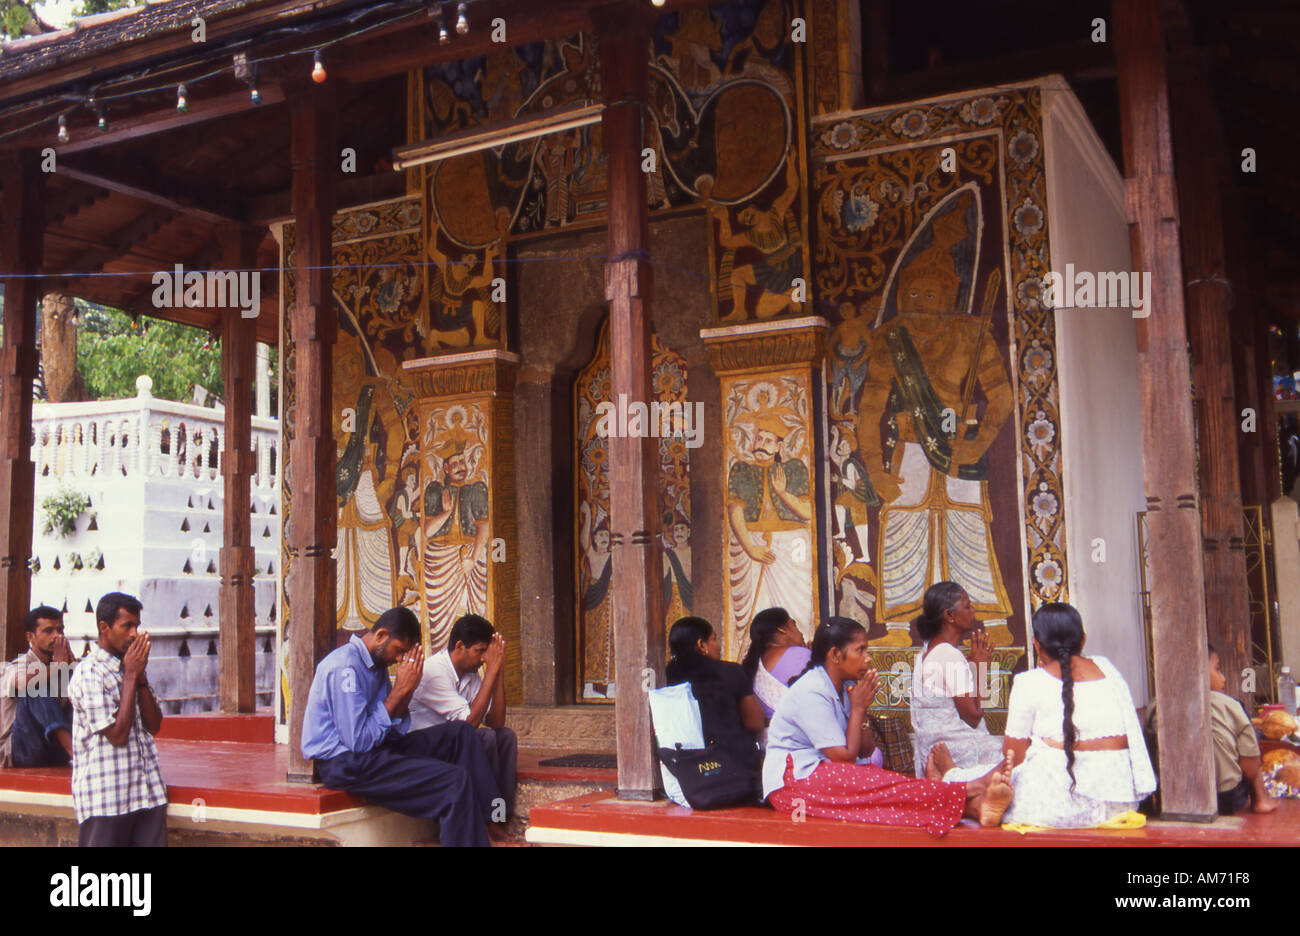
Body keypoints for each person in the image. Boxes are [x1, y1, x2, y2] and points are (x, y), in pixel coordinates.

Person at [764, 616, 1014, 836]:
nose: (868, 658)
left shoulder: (845, 686)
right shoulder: (812, 690)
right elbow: (843, 758)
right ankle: (972, 787)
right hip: (794, 784)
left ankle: (976, 807)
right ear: (835, 655)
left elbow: (865, 750)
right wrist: (858, 708)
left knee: (883, 788)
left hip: (824, 776)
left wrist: (861, 710)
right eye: (860, 650)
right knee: (882, 788)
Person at [302, 606, 502, 846]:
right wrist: (399, 691)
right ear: (381, 636)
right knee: (455, 781)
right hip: (346, 762)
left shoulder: (377, 666)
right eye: (399, 650)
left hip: (378, 748)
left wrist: (407, 691)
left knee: (463, 733)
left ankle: (494, 820)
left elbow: (395, 728)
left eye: (404, 654)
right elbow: (358, 741)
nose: (399, 659)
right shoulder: (345, 668)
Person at [991, 602, 1156, 828]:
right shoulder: (1107, 669)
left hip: (1051, 805)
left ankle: (980, 803)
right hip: (1118, 803)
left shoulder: (1028, 682)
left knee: (989, 781)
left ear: (1036, 644)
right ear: (1083, 640)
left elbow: (1014, 755)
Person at [66, 593, 168, 847]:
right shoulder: (90, 673)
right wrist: (131, 676)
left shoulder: (131, 668)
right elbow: (117, 735)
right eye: (127, 626)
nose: (134, 634)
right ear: (104, 627)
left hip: (147, 794)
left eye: (137, 626)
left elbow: (154, 726)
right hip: (107, 799)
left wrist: (140, 679)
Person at [408, 613, 517, 821]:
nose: (484, 659)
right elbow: (470, 723)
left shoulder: (470, 673)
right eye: (479, 651)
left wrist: (498, 671)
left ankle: (500, 816)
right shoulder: (434, 672)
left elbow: (495, 722)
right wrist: (491, 671)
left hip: (454, 742)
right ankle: (487, 820)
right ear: (459, 646)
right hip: (424, 745)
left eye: (487, 653)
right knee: (484, 738)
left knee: (505, 737)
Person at [910, 582, 1004, 779]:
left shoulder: (926, 651)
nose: (973, 611)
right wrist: (980, 667)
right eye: (968, 606)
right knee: (1014, 759)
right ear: (949, 616)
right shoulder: (949, 654)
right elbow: (973, 717)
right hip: (954, 753)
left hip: (931, 749)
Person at [664, 617, 764, 780]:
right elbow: (755, 722)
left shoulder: (666, 677)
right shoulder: (730, 671)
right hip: (735, 769)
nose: (718, 646)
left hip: (688, 772)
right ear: (701, 645)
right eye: (714, 639)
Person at [1, 606, 76, 768]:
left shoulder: (64, 664)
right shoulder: (18, 665)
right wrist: (59, 668)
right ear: (30, 637)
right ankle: (74, 751)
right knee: (34, 685)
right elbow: (21, 683)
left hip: (52, 750)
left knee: (80, 684)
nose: (56, 636)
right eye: (48, 631)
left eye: (60, 630)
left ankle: (80, 749)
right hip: (20, 750)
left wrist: (73, 669)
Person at [1208, 644, 1275, 814]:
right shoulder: (1230, 705)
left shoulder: (1156, 707)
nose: (1223, 678)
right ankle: (1261, 799)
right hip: (1224, 799)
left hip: (1171, 799)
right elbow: (1250, 769)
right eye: (1218, 669)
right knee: (1249, 745)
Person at [740, 607, 812, 721]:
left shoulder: (753, 665)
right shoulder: (802, 655)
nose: (800, 632)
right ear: (782, 630)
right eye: (794, 625)